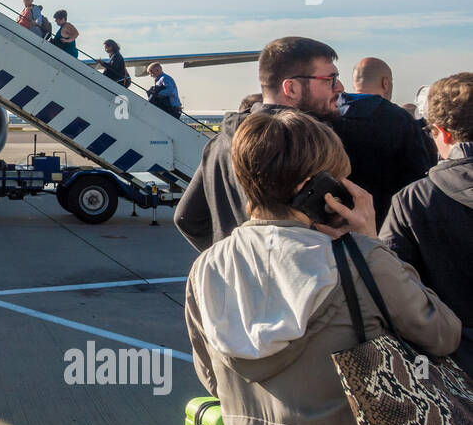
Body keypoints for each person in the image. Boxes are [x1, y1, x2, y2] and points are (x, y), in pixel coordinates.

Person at [184, 108, 460, 425]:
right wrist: (372, 242)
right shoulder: (360, 262)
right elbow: (443, 333)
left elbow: (211, 378)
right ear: (313, 189)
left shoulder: (206, 269)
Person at [175, 36, 342, 253]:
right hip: (296, 282)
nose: (339, 87)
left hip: (232, 281)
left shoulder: (221, 140)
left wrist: (227, 256)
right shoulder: (307, 146)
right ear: (291, 88)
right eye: (330, 78)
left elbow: (186, 218)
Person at [381, 72, 473, 376]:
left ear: (442, 134)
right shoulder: (413, 200)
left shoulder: (413, 201)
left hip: (455, 364)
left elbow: (392, 289)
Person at [334, 57, 435, 223]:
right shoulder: (399, 119)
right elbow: (418, 176)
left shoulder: (330, 115)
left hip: (336, 215)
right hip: (387, 217)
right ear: (385, 83)